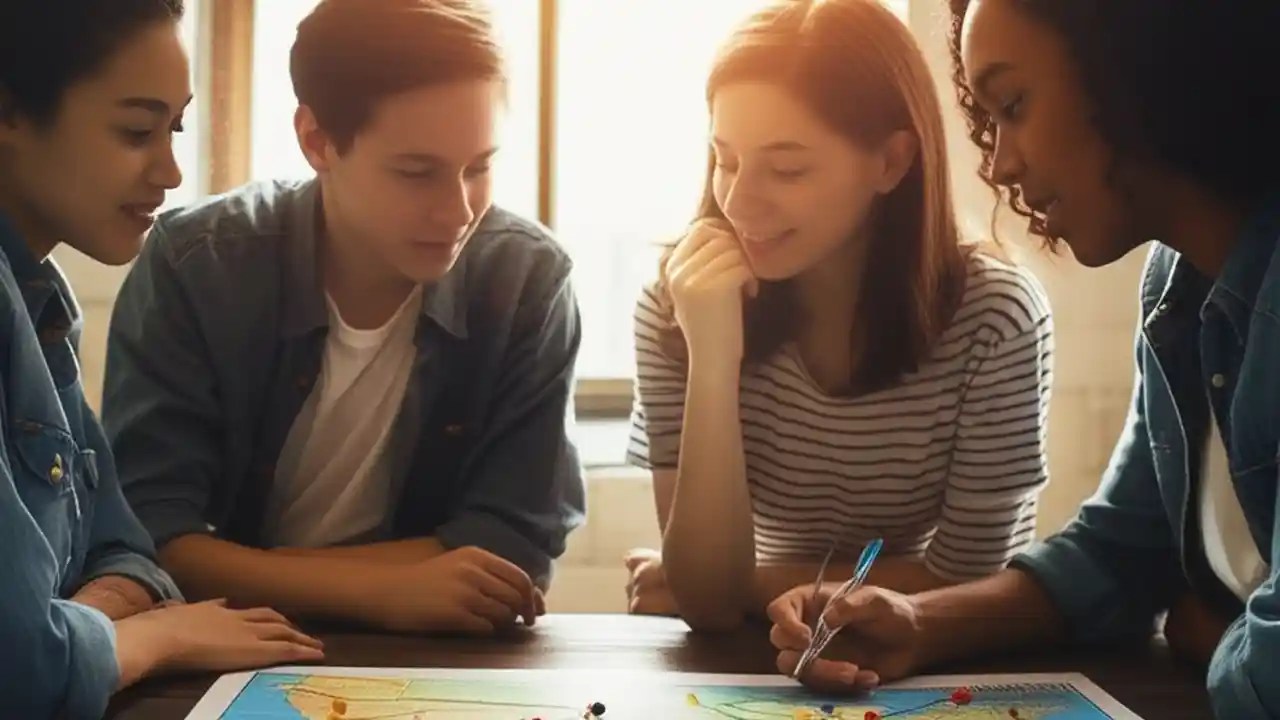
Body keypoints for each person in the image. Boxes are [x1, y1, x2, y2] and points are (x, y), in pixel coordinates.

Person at [766, 1, 1280, 717]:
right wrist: (918, 624)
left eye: (1013, 104)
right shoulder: (1177, 287)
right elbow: (1119, 554)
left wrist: (1216, 636)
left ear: (1134, 67)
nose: (1001, 163)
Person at [102, 0, 585, 636]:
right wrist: (381, 590)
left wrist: (237, 567)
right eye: (417, 173)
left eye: (479, 167)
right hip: (223, 650)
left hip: (430, 659)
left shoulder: (526, 280)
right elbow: (151, 536)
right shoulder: (198, 265)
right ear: (317, 141)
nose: (459, 211)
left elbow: (513, 546)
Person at [624, 0, 1054, 631]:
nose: (739, 201)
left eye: (787, 167)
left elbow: (969, 584)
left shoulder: (996, 318)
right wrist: (714, 356)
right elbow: (707, 608)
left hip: (930, 661)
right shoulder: (682, 302)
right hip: (754, 656)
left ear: (891, 162)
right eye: (727, 159)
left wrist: (745, 581)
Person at [0, 1, 325, 717]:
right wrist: (163, 638)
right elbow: (21, 667)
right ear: (12, 112)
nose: (172, 172)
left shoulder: (39, 302)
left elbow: (131, 553)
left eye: (175, 128)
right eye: (136, 131)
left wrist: (88, 619)